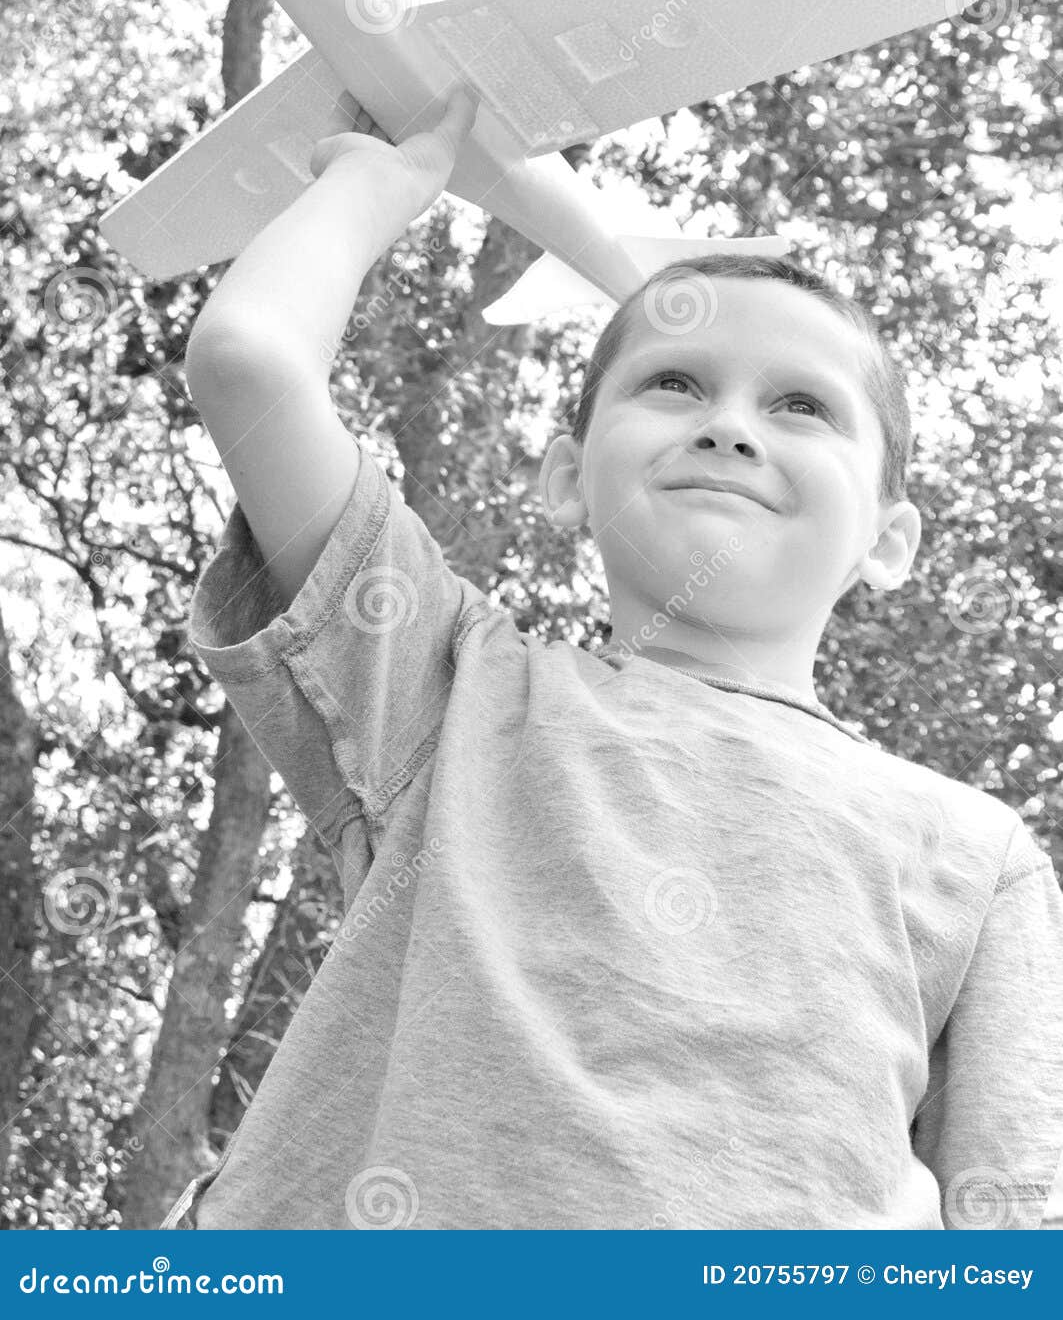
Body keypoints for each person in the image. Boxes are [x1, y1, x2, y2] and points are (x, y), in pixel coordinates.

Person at [161, 88, 1063, 1229]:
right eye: (674, 382)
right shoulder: (447, 692)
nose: (731, 425)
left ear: (888, 541)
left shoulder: (976, 854)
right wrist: (375, 182)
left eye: (801, 405)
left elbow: (1016, 1232)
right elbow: (248, 361)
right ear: (561, 475)